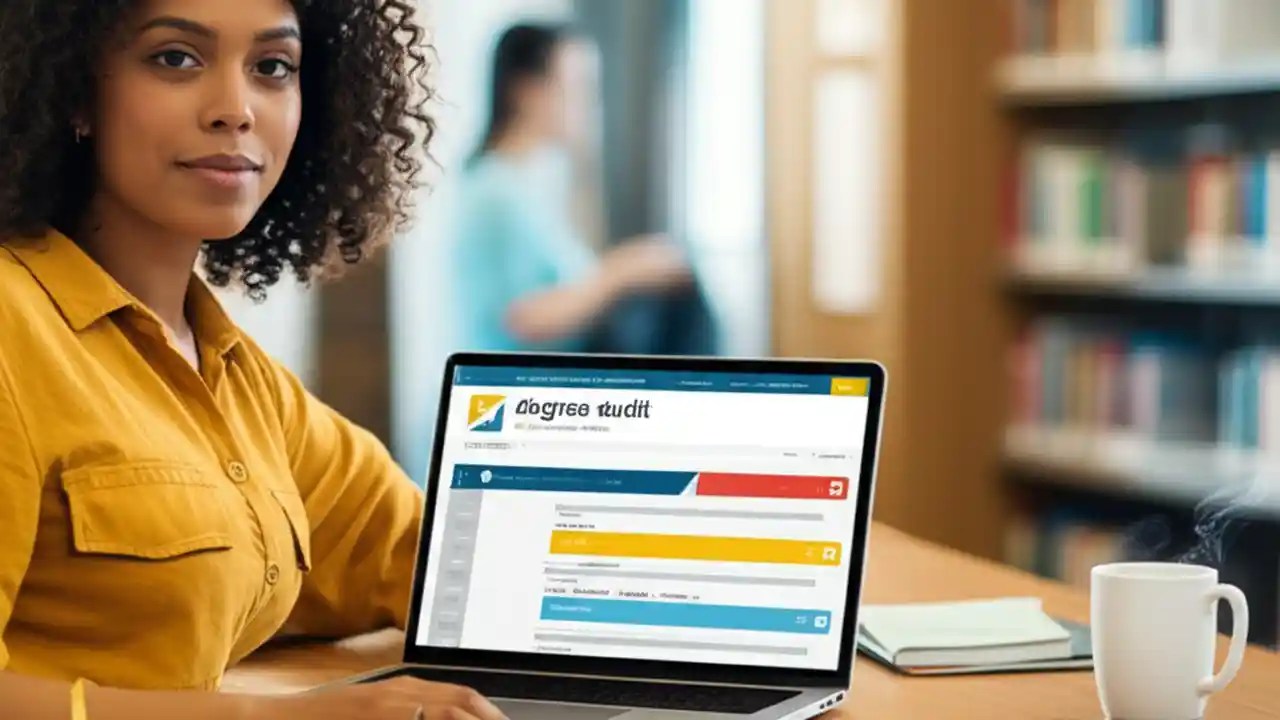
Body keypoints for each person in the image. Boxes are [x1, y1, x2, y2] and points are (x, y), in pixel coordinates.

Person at [0, 1, 505, 719]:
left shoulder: (237, 376)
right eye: (175, 58)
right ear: (77, 93)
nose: (235, 109)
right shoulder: (12, 330)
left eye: (273, 67)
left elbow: (426, 560)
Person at [453, 23, 691, 353]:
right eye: (579, 88)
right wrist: (624, 271)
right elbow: (520, 320)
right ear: (526, 91)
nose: (591, 107)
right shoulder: (495, 194)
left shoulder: (527, 187)